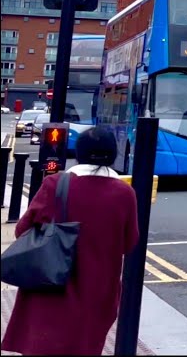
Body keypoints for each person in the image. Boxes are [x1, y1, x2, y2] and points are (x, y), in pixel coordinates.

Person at [1, 127, 139, 356]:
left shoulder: (55, 184)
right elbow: (129, 243)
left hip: (49, 287)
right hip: (96, 293)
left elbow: (22, 230)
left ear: (80, 152)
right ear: (113, 154)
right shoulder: (125, 194)